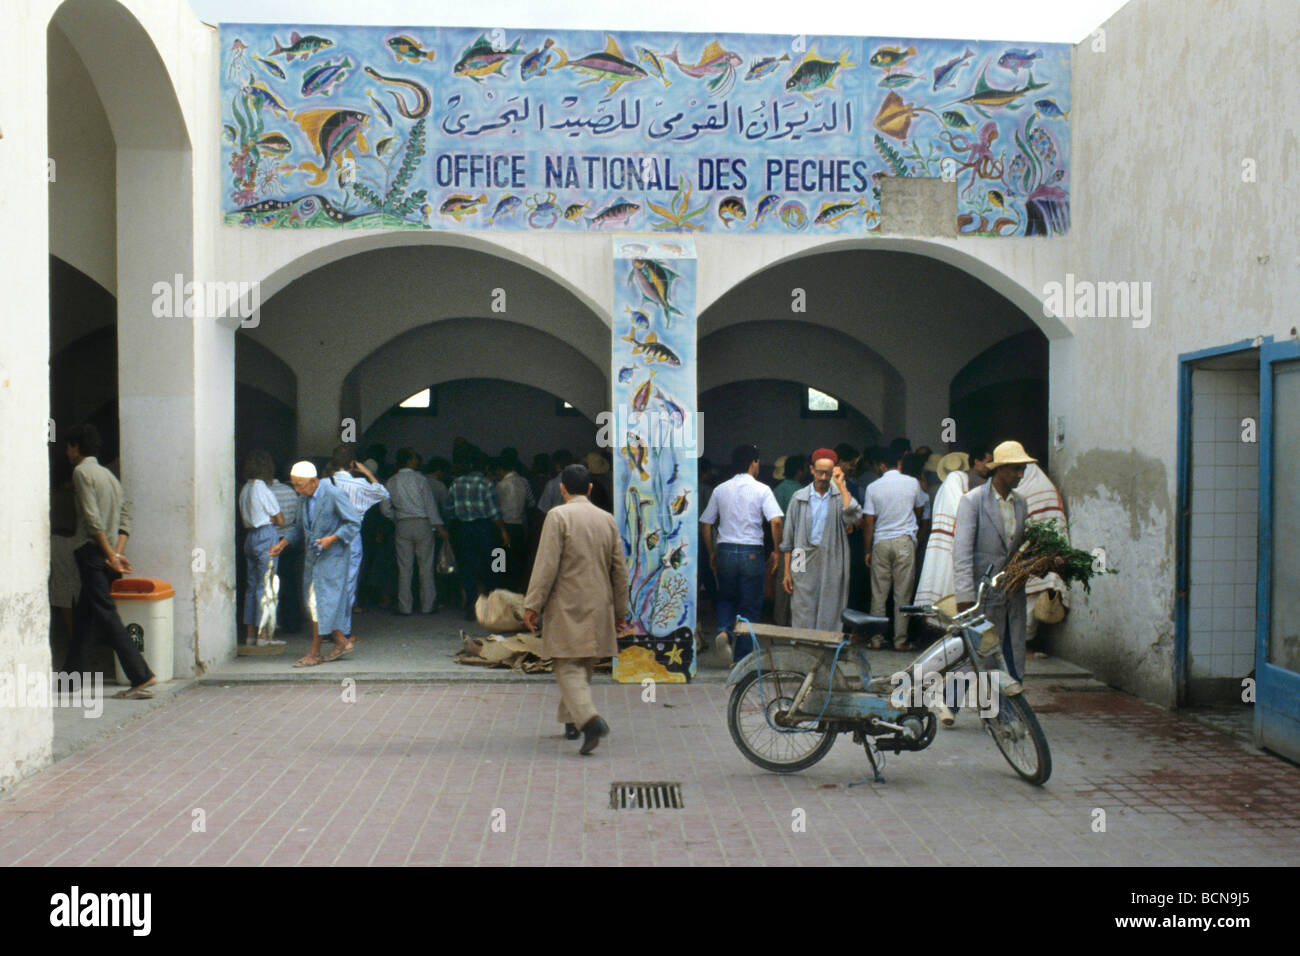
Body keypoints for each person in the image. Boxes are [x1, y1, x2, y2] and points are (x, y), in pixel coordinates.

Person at [523, 463, 630, 755]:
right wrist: (621, 611)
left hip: (567, 603)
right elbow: (619, 569)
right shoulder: (606, 519)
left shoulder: (558, 517)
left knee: (566, 664)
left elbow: (546, 565)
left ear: (562, 488)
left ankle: (590, 721)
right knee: (584, 663)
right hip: (599, 603)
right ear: (591, 488)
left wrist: (532, 604)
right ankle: (571, 721)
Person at [63, 423, 156, 698]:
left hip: (92, 553)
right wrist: (116, 554)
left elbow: (92, 521)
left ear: (76, 447)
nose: (67, 452)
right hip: (106, 554)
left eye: (69, 446)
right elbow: (125, 520)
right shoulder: (109, 476)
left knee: (105, 614)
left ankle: (141, 674)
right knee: (85, 616)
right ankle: (68, 680)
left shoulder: (81, 472)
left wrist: (108, 555)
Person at [953, 440, 1037, 682]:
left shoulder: (1020, 503)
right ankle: (948, 706)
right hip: (983, 595)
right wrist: (964, 597)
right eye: (1015, 469)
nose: (1021, 475)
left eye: (1023, 469)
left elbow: (1019, 548)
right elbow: (962, 551)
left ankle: (1007, 711)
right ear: (999, 469)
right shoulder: (974, 500)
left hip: (1013, 595)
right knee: (978, 656)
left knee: (1011, 655)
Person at [270, 460, 362, 667]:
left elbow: (353, 522)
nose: (296, 489)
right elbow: (297, 527)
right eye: (294, 484)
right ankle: (341, 641)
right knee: (316, 603)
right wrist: (282, 544)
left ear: (313, 481)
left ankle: (315, 651)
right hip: (315, 558)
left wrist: (333, 538)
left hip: (334, 556)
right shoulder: (303, 499)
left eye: (299, 485)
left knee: (320, 602)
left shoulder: (334, 494)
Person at [699, 444, 783, 661]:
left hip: (725, 549)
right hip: (752, 551)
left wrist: (711, 552)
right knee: (750, 605)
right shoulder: (762, 489)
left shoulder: (720, 489)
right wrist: (776, 550)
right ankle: (742, 657)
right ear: (754, 462)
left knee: (726, 597)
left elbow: (706, 524)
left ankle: (724, 631)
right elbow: (775, 521)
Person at [781, 449, 863, 630]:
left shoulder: (838, 497)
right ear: (811, 470)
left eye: (828, 473)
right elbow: (788, 540)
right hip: (801, 557)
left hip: (832, 559)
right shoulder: (799, 497)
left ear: (834, 471)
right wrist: (787, 572)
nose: (824, 477)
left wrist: (841, 486)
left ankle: (825, 654)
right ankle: (803, 652)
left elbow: (855, 517)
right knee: (802, 609)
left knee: (831, 609)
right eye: (819, 472)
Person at [863, 446, 930, 649]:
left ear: (883, 465)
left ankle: (876, 639)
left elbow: (868, 522)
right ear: (899, 462)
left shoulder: (873, 487)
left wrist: (868, 550)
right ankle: (900, 641)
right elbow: (919, 509)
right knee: (903, 593)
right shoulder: (912, 483)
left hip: (881, 542)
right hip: (904, 541)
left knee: (879, 594)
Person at [324, 445, 391, 637]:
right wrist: (367, 472)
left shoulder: (324, 484)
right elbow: (383, 494)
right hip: (351, 536)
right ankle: (342, 630)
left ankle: (327, 628)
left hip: (328, 536)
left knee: (329, 582)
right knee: (348, 582)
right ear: (353, 464)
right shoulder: (358, 484)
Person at [380, 448, 447, 616]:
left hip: (402, 524)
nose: (418, 461)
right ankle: (428, 605)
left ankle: (405, 606)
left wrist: (397, 518)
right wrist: (439, 526)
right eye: (415, 458)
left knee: (404, 568)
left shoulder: (391, 481)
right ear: (409, 460)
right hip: (423, 524)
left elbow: (384, 508)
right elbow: (430, 506)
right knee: (425, 566)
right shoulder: (420, 480)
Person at [449, 450, 510, 620]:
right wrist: (503, 531)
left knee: (467, 569)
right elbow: (494, 512)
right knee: (493, 567)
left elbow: (449, 510)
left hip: (463, 529)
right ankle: (491, 608)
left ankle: (470, 608)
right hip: (485, 529)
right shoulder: (486, 483)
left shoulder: (456, 483)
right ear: (484, 467)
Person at [238, 450, 286, 647]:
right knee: (266, 587)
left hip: (250, 537)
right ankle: (263, 635)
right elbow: (280, 519)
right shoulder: (263, 489)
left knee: (251, 587)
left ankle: (250, 633)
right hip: (266, 535)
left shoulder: (245, 489)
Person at [770, 455, 806, 625]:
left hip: (783, 545)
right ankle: (795, 622)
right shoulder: (803, 492)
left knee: (781, 585)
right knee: (797, 583)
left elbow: (773, 521)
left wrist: (775, 548)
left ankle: (779, 622)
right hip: (799, 547)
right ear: (800, 471)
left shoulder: (777, 490)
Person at [494, 452, 535, 592]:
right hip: (519, 526)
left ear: (500, 469)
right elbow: (531, 503)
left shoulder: (500, 485)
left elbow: (494, 508)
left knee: (500, 562)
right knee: (517, 562)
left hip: (503, 528)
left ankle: (501, 589)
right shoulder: (524, 482)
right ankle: (516, 591)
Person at [269, 467, 303, 632]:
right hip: (289, 540)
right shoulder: (290, 492)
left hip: (272, 540)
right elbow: (298, 518)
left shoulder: (265, 491)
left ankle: (275, 622)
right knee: (289, 581)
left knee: (270, 584)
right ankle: (293, 621)